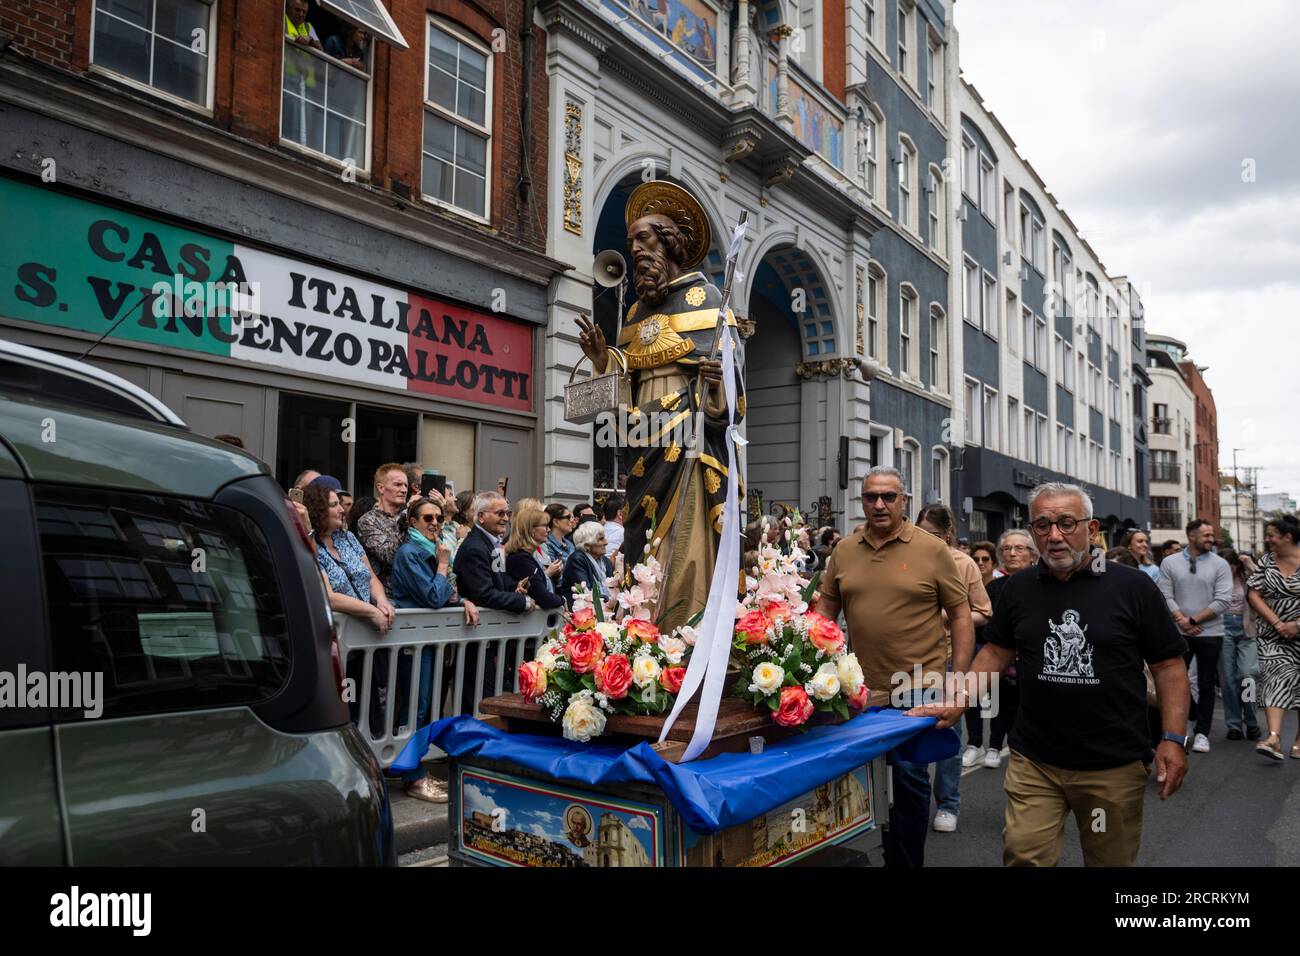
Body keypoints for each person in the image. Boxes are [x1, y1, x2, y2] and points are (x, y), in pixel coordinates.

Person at [946, 482, 1189, 867]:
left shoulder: (1132, 587)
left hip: (1112, 765)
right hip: (1035, 761)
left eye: (1066, 523)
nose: (1054, 535)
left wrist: (1174, 738)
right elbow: (995, 651)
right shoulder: (1016, 588)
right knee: (1025, 855)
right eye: (1042, 525)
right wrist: (957, 701)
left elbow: (1168, 665)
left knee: (1107, 860)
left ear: (1091, 530)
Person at [575, 180, 746, 631]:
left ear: (669, 241)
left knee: (682, 544)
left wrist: (712, 389)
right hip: (643, 445)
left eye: (643, 238)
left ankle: (685, 631)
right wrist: (601, 361)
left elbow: (732, 391)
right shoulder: (633, 314)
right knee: (642, 537)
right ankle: (643, 631)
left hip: (687, 446)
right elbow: (623, 383)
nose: (634, 249)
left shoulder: (708, 300)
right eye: (631, 241)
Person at [816, 466, 973, 868]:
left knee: (908, 776)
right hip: (859, 687)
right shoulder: (845, 551)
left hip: (917, 685)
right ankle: (879, 848)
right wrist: (815, 665)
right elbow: (826, 612)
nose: (880, 504)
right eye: (871, 497)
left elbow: (959, 614)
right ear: (862, 501)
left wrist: (957, 679)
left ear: (904, 500)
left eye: (889, 496)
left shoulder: (931, 549)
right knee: (859, 778)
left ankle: (905, 862)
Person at [387, 496, 478, 803]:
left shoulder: (428, 550)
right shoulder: (411, 553)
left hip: (428, 640)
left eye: (439, 518)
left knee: (422, 706)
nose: (435, 523)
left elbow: (445, 593)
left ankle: (413, 768)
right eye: (427, 518)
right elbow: (432, 596)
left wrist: (461, 599)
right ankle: (411, 775)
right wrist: (441, 564)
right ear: (412, 522)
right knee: (416, 706)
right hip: (414, 640)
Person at [917, 504, 991, 835]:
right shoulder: (905, 558)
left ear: (947, 534)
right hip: (909, 659)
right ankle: (912, 800)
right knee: (909, 729)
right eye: (919, 533)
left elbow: (984, 612)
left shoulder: (962, 563)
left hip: (947, 657)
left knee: (947, 730)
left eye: (932, 535)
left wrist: (949, 615)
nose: (924, 540)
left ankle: (948, 803)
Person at [1158, 518, 1231, 753]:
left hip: (1211, 632)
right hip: (1178, 633)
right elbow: (1165, 594)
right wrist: (1181, 619)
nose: (1212, 539)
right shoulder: (1170, 562)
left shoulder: (1220, 564)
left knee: (1207, 683)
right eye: (1207, 535)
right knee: (1177, 681)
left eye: (1212, 535)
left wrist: (1194, 620)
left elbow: (1223, 600)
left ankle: (1202, 733)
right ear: (1191, 536)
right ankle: (1186, 721)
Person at [1245, 514, 1300, 761]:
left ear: (1287, 537)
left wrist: (1297, 624)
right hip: (1273, 634)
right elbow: (1253, 594)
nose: (1267, 540)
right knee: (1274, 681)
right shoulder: (1266, 561)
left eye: (1271, 536)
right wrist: (1277, 622)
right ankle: (1274, 737)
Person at [983, 529, 1039, 767]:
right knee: (999, 705)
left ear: (1033, 554)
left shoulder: (1042, 584)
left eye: (1019, 548)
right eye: (1006, 549)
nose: (1012, 553)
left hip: (1032, 661)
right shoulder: (995, 587)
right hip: (1001, 658)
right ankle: (994, 746)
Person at [452, 492, 535, 613]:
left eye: (507, 513)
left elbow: (500, 578)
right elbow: (484, 595)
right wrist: (522, 601)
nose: (506, 519)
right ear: (481, 517)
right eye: (500, 513)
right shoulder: (475, 548)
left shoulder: (494, 544)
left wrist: (515, 586)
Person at [1217, 548, 1261, 742]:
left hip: (1246, 629)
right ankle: (1234, 725)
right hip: (1222, 627)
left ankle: (1252, 722)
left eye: (1231, 566)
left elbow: (1264, 581)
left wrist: (1248, 562)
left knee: (1248, 677)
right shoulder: (1215, 579)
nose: (1228, 570)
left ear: (1236, 565)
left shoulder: (1245, 576)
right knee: (1228, 681)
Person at [356, 463, 409, 589]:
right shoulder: (368, 521)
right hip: (388, 598)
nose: (404, 490)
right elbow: (392, 557)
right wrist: (406, 521)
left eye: (406, 485)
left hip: (418, 592)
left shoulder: (414, 515)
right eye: (398, 484)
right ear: (381, 488)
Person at [505, 505, 566, 611]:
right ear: (531, 530)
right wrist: (562, 600)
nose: (548, 530)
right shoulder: (521, 559)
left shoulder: (527, 556)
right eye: (545, 526)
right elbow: (543, 597)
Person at [562, 521, 617, 610]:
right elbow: (587, 592)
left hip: (606, 608)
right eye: (601, 539)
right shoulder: (577, 559)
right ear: (587, 545)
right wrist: (612, 600)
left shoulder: (606, 561)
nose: (606, 542)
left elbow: (613, 589)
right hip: (583, 612)